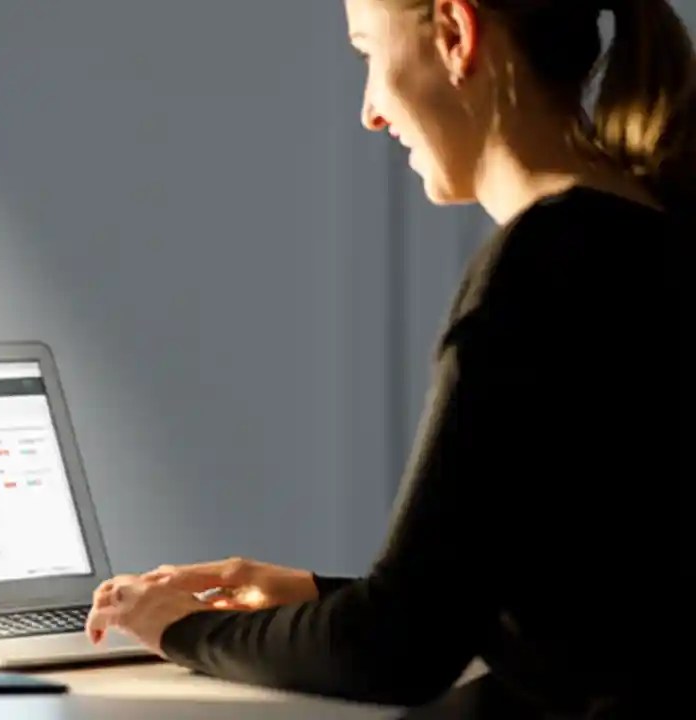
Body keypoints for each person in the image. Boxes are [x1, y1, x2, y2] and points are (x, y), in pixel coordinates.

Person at [84, 0, 693, 716]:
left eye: (369, 52)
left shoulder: (542, 263)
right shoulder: (653, 234)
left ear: (456, 33)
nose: (371, 111)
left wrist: (182, 629)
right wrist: (315, 597)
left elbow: (395, 649)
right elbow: (585, 613)